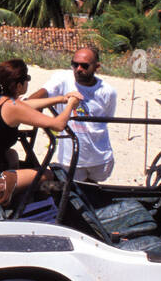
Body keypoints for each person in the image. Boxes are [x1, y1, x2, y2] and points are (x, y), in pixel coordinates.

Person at [0, 59, 82, 206]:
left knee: (12, 155)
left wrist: (61, 99)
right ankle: (35, 200)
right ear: (19, 85)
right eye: (26, 79)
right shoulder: (12, 107)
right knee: (47, 175)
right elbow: (58, 125)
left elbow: (25, 105)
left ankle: (16, 193)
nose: (28, 82)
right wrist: (71, 103)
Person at [29, 44, 117, 182]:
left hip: (100, 157)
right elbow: (44, 92)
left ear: (97, 67)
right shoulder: (63, 79)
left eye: (84, 66)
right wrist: (26, 103)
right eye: (74, 65)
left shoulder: (108, 91)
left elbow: (106, 120)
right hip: (69, 158)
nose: (78, 69)